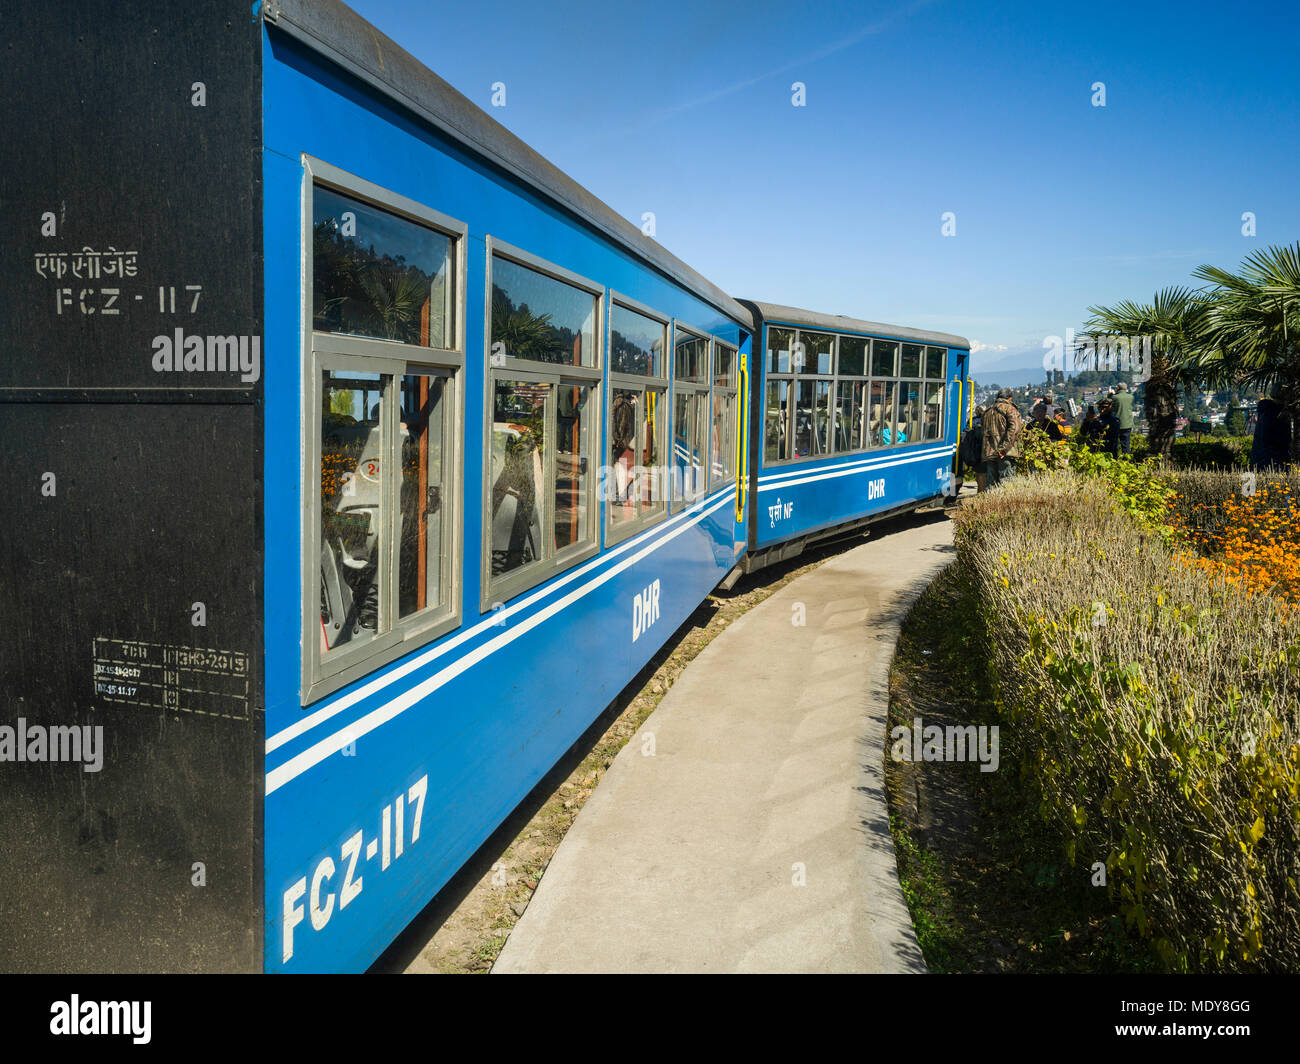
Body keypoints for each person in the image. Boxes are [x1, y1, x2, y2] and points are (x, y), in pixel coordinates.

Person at [981, 388, 1023, 487]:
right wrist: (1004, 449)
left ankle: (990, 502)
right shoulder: (1010, 409)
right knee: (1007, 482)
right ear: (1010, 398)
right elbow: (1015, 429)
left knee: (991, 483)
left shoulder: (988, 410)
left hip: (989, 452)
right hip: (1005, 453)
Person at [1250, 385, 1293, 470]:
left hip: (1259, 459)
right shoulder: (1276, 413)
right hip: (1273, 461)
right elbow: (1273, 437)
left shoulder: (1266, 410)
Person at [959, 405, 987, 492]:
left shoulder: (971, 421)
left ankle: (980, 490)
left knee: (979, 473)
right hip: (983, 449)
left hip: (974, 451)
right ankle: (983, 491)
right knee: (984, 472)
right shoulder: (986, 421)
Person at [1113, 382, 1135, 455]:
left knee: (1114, 444)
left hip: (1117, 423)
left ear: (1118, 388)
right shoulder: (1131, 397)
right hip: (1127, 424)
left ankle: (1115, 459)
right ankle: (1126, 461)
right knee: (1126, 445)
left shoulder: (1115, 397)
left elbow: (1109, 401)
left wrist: (1111, 393)